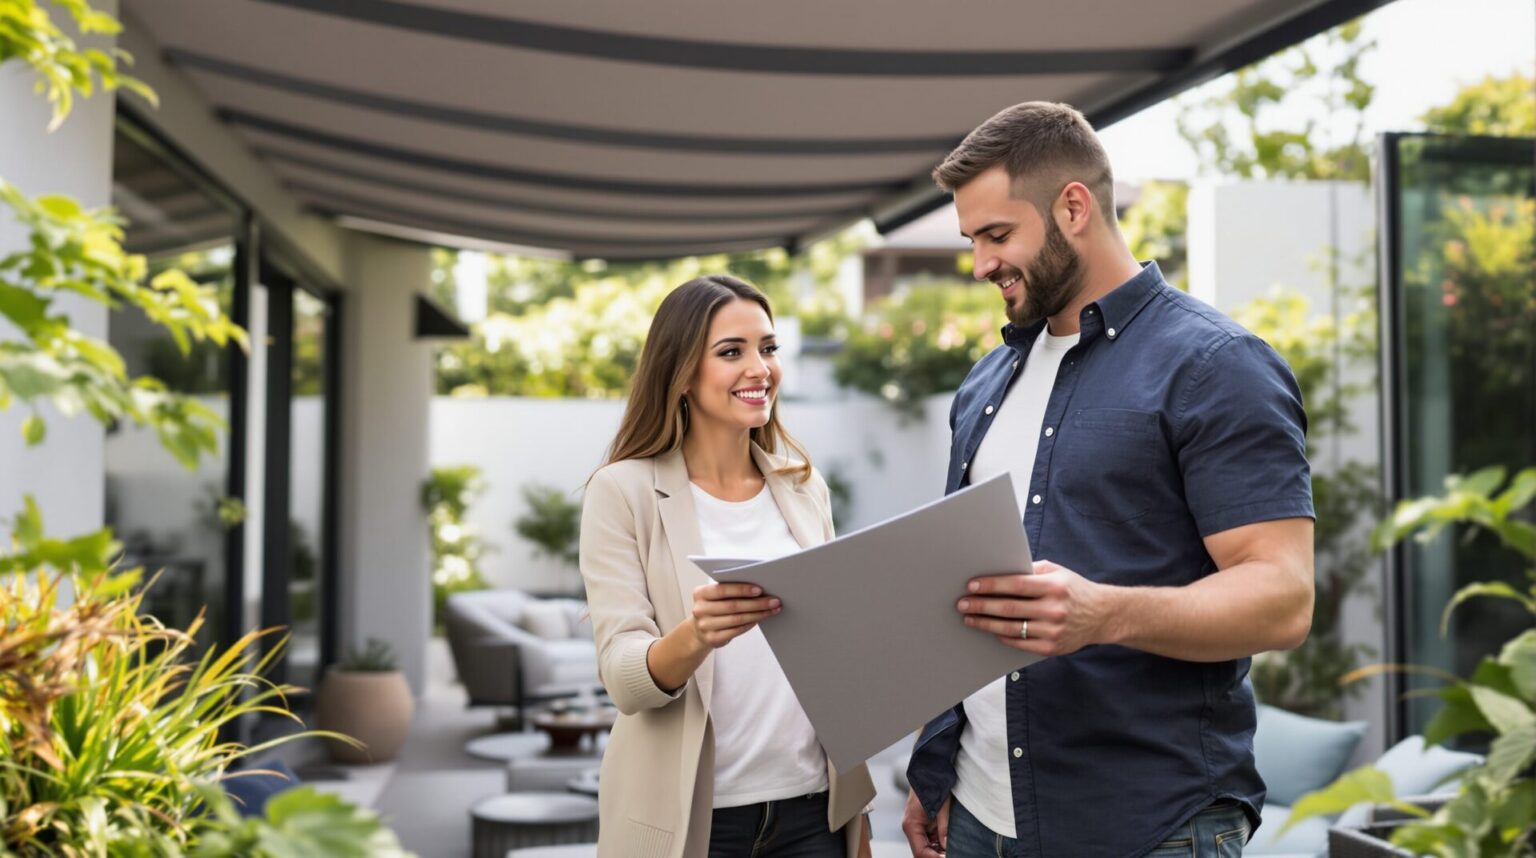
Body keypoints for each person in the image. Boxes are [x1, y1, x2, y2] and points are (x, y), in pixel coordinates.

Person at [900, 102, 1315, 858]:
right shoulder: (986, 383)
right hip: (979, 816)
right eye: (972, 240)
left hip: (1146, 824)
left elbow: (1283, 598)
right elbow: (971, 594)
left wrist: (1104, 614)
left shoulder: (1215, 366)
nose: (980, 264)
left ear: (1073, 207)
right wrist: (937, 764)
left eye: (997, 235)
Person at [580, 274, 875, 858]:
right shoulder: (622, 492)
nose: (759, 368)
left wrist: (858, 826)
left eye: (767, 348)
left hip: (814, 811)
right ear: (683, 373)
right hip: (693, 822)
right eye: (731, 352)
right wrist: (696, 637)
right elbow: (623, 679)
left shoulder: (803, 488)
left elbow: (833, 664)